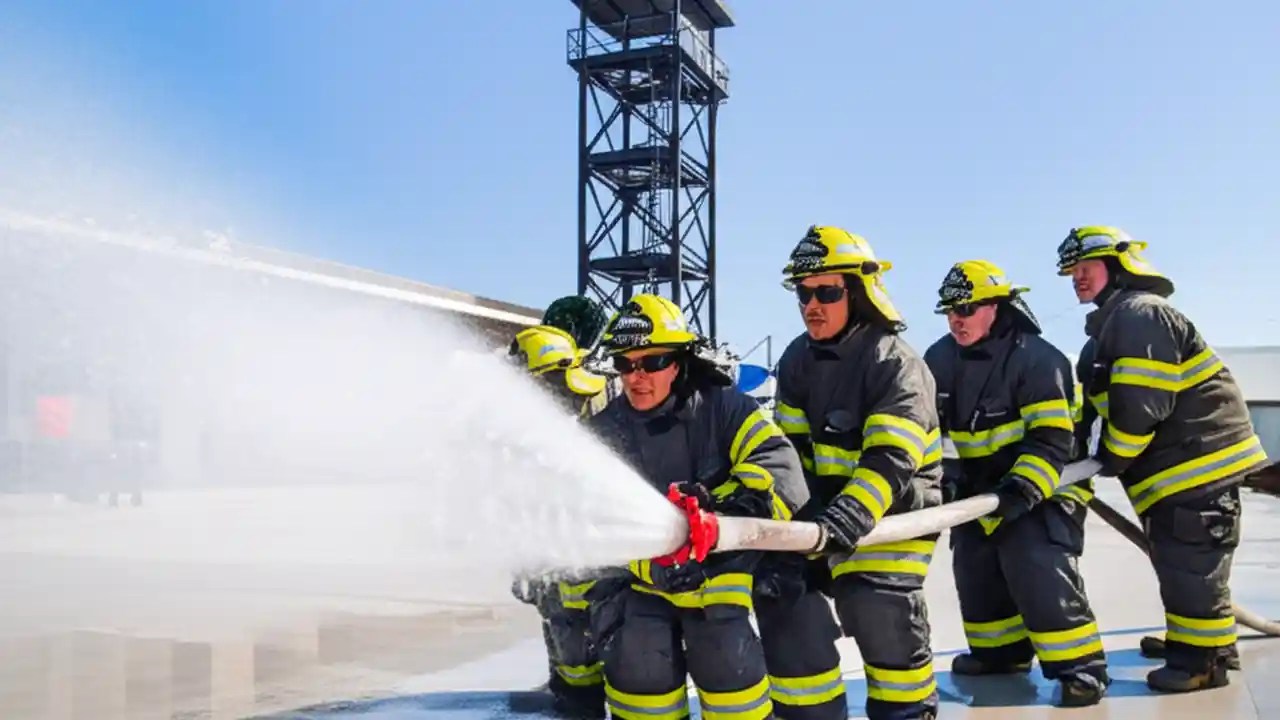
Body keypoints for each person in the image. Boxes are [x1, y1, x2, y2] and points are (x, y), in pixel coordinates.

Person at [1056, 225, 1268, 692]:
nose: (1077, 277)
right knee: (1184, 568)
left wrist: (1112, 458)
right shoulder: (1108, 332)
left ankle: (1201, 663)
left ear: (1118, 265)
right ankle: (1204, 644)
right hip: (1176, 476)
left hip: (1196, 472)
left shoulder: (1140, 316)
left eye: (1086, 267)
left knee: (1191, 569)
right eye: (1072, 271)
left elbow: (1139, 407)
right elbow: (1093, 414)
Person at [583, 293, 810, 720]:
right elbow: (587, 518)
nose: (635, 377)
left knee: (726, 658)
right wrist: (649, 564)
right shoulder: (604, 431)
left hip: (719, 572)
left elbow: (779, 467)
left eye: (651, 362)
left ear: (677, 363)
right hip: (640, 579)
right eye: (624, 364)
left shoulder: (724, 407)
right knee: (639, 665)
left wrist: (725, 509)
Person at [772, 225, 942, 720]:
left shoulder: (896, 364)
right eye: (804, 293)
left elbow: (891, 460)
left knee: (875, 603)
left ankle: (907, 712)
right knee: (782, 594)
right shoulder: (796, 360)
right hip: (822, 518)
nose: (812, 305)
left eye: (826, 292)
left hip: (895, 516)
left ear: (859, 292)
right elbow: (788, 455)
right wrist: (797, 524)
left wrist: (847, 518)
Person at [922, 260, 1109, 707]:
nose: (956, 319)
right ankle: (1000, 655)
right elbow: (932, 434)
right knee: (975, 569)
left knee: (1035, 564)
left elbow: (1052, 439)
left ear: (997, 307)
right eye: (949, 311)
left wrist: (1021, 489)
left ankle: (1081, 668)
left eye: (966, 308)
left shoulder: (1038, 359)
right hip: (978, 492)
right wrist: (948, 483)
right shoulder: (938, 359)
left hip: (1045, 486)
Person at [506, 324, 612, 716]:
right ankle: (571, 697)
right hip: (552, 566)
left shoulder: (599, 406)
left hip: (602, 565)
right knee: (566, 650)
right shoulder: (520, 426)